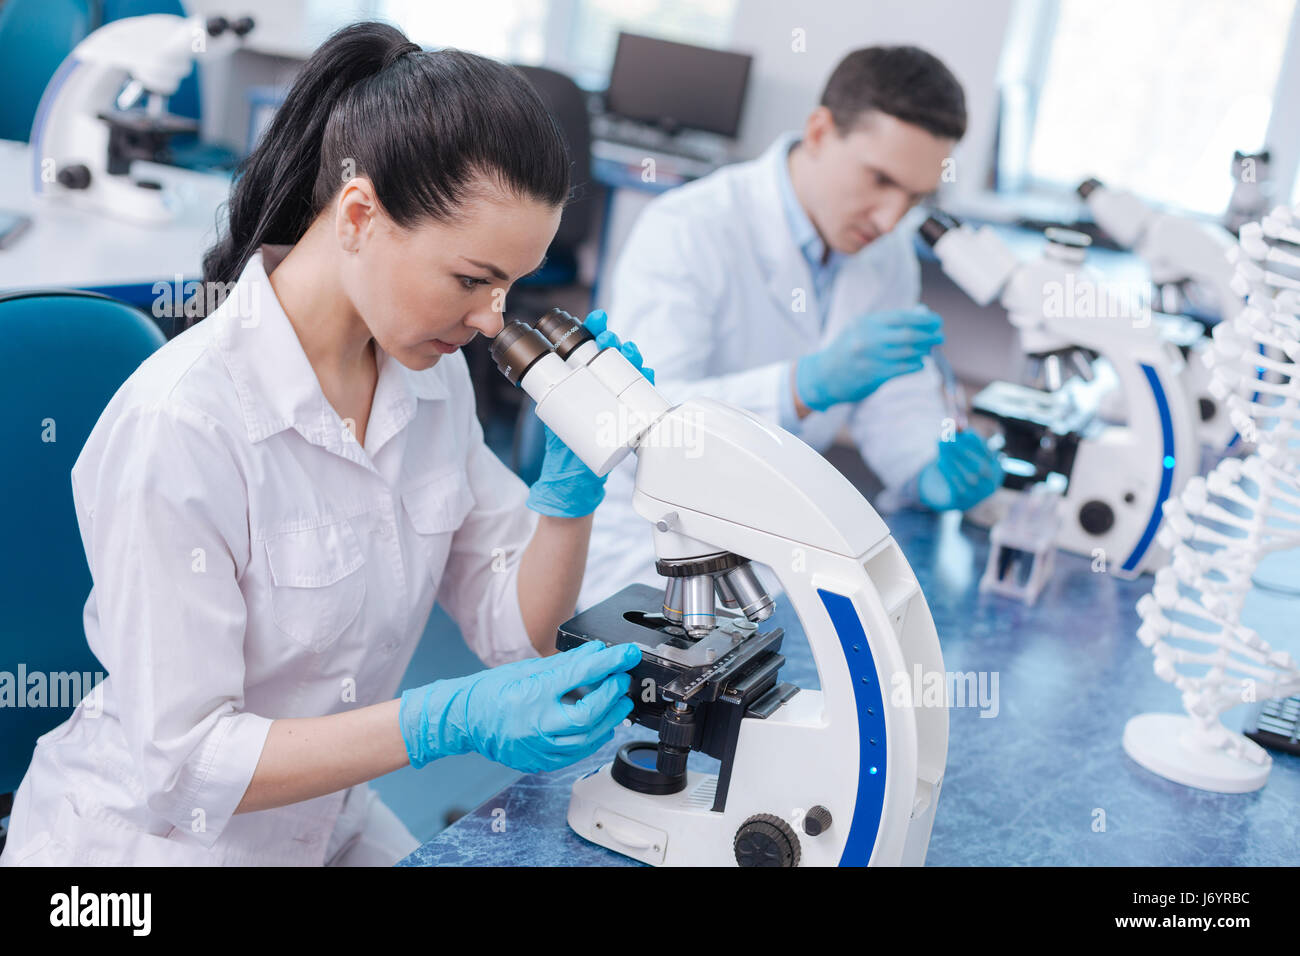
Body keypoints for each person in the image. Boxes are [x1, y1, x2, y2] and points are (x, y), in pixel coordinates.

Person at [0, 22, 650, 867]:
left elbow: (516, 638)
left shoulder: (432, 379)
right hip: (154, 850)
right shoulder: (185, 425)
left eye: (512, 284)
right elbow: (186, 767)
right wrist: (438, 722)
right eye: (471, 278)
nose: (495, 318)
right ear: (357, 215)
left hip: (323, 821)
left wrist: (566, 501)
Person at [580, 46, 1002, 611]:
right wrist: (800, 387)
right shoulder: (687, 228)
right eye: (879, 179)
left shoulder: (888, 254)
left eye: (915, 197)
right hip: (657, 547)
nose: (890, 219)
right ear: (821, 130)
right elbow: (648, 425)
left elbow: (892, 399)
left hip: (785, 543)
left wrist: (928, 467)